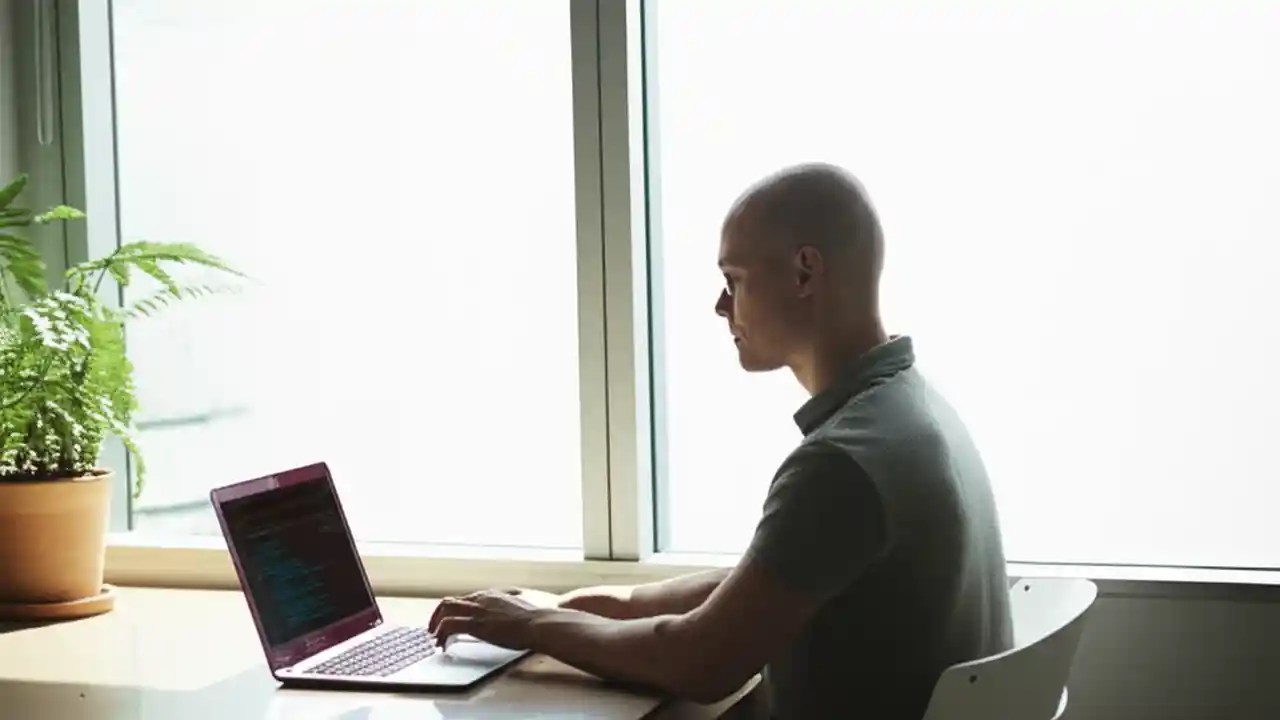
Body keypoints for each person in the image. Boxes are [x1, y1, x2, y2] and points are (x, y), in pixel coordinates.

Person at [429, 163, 1013, 718]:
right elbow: (761, 586)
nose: (720, 306)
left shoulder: (842, 463)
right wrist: (566, 607)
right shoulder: (913, 413)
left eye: (733, 279)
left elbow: (700, 661)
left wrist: (530, 628)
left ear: (805, 272)